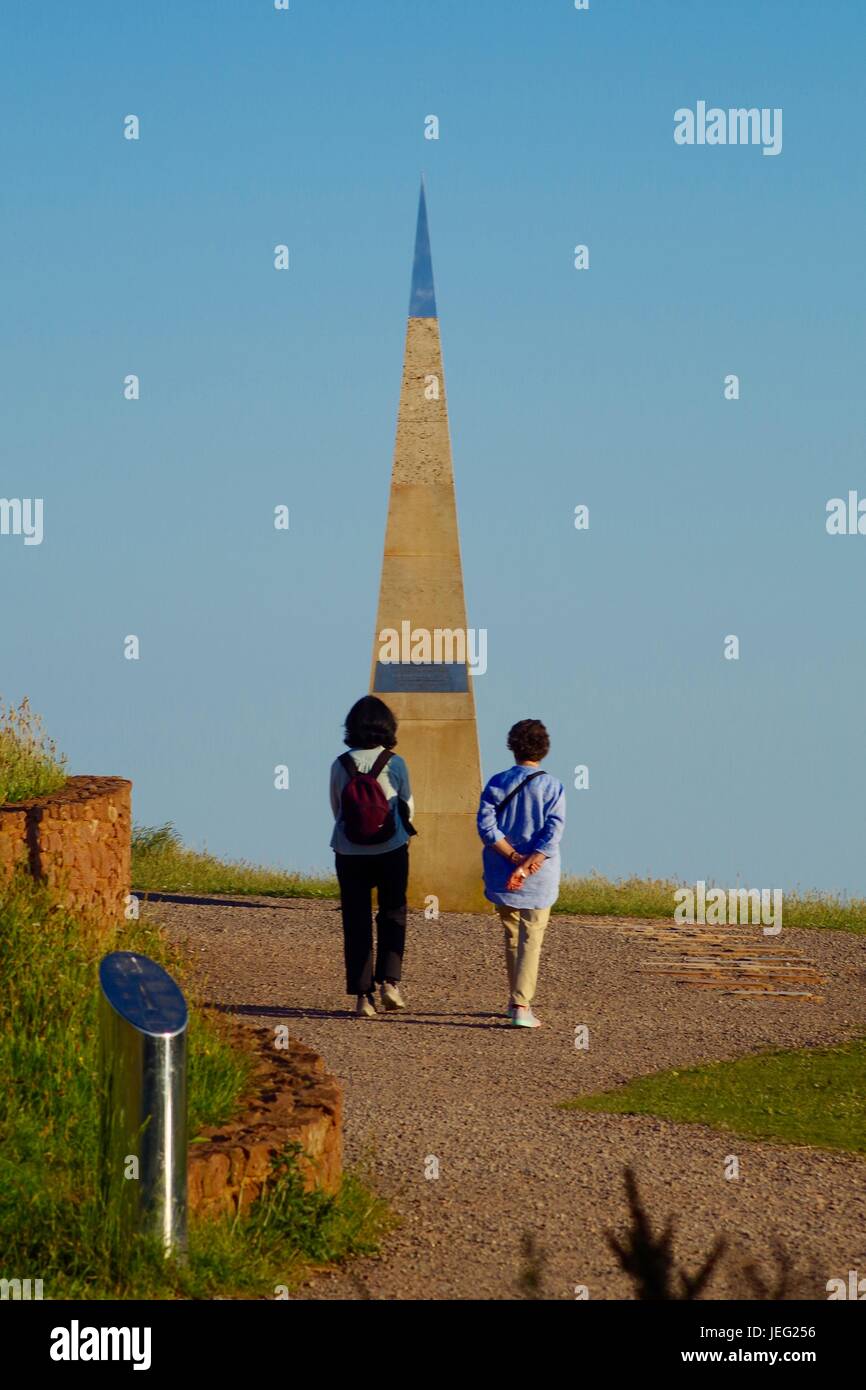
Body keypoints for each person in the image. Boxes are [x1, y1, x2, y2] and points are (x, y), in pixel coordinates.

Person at [476, 718, 566, 1028]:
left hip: (502, 871)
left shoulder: (497, 782)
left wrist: (514, 857)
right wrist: (530, 862)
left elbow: (486, 828)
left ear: (512, 747)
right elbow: (553, 832)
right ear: (544, 749)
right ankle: (521, 1004)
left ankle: (515, 999)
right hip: (540, 875)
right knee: (532, 937)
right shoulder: (553, 786)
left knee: (512, 934)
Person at [330, 695, 415, 1017]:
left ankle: (363, 997)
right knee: (393, 913)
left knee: (356, 921)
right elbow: (407, 805)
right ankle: (390, 983)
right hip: (391, 849)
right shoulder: (396, 763)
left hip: (349, 852)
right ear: (387, 727)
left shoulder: (340, 764)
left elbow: (337, 809)